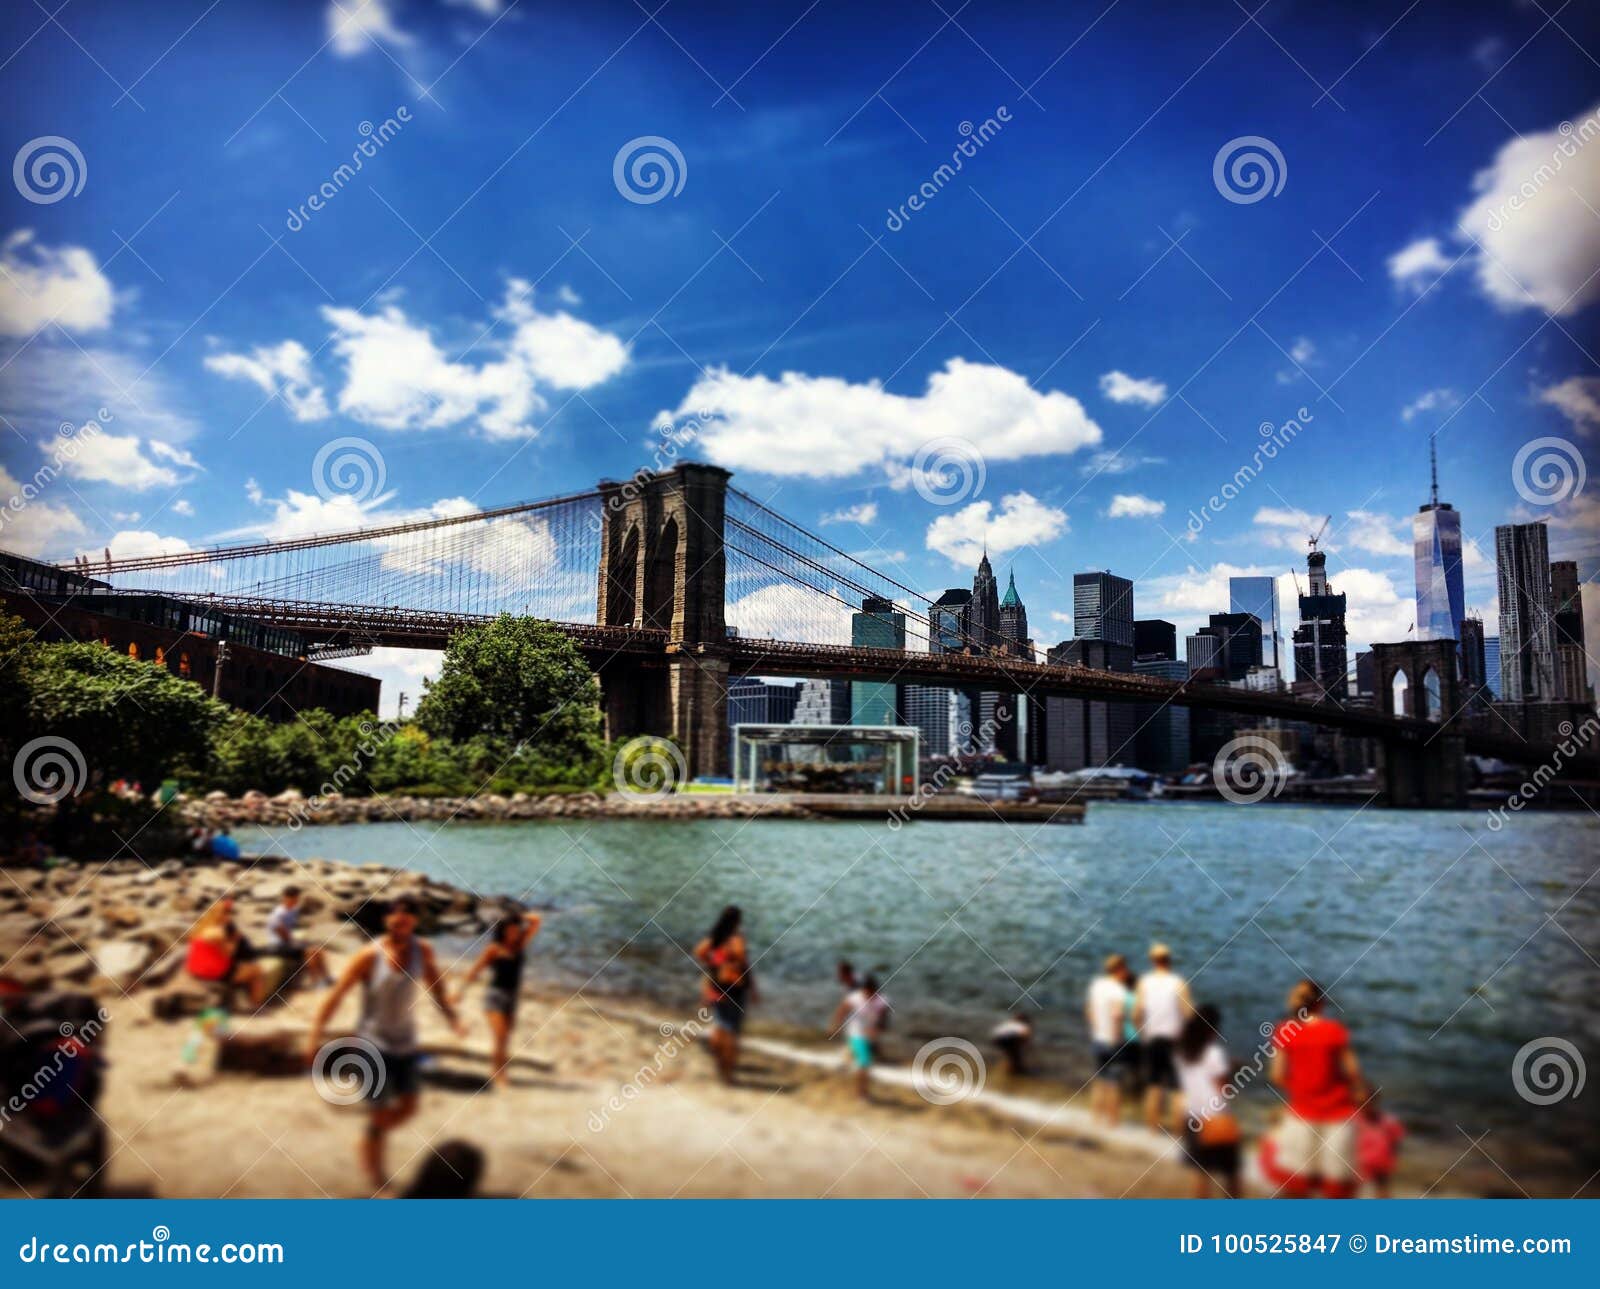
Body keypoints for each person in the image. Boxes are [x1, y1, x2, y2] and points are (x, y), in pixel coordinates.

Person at [306, 897, 464, 1194]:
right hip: (371, 1045)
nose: (399, 924)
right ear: (385, 922)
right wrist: (315, 1036)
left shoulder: (423, 951)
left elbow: (437, 987)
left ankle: (371, 1136)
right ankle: (376, 1173)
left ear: (414, 922)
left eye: (405, 919)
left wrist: (452, 1018)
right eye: (394, 919)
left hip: (405, 1043)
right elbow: (336, 996)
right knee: (379, 1112)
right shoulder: (368, 956)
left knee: (409, 1107)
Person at [1268, 979, 1366, 1198]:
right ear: (1321, 1004)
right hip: (1339, 1113)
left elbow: (1277, 1075)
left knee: (1296, 1187)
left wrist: (1300, 1088)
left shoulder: (1285, 1031)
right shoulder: (1335, 1031)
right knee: (1336, 1189)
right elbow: (1353, 1072)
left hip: (1302, 1112)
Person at [456, 911, 541, 1089]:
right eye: (509, 930)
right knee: (500, 1036)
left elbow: (536, 920)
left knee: (505, 1038)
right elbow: (475, 971)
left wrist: (517, 918)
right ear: (502, 931)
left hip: (512, 997)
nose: (513, 933)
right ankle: (499, 1073)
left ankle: (497, 1069)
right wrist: (460, 992)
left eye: (515, 930)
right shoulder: (494, 949)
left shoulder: (520, 944)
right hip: (495, 996)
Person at [1175, 1004, 1240, 1198]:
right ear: (1213, 1028)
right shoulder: (1214, 1053)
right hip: (1216, 1119)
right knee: (1232, 1174)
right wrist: (1233, 1070)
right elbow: (1223, 1088)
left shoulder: (1183, 1051)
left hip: (1192, 1117)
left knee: (1201, 1175)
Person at [694, 906, 754, 1084]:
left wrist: (715, 964)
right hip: (734, 988)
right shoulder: (736, 939)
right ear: (737, 921)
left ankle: (719, 1065)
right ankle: (727, 1073)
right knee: (732, 1030)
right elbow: (743, 962)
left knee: (720, 1025)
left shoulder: (715, 938)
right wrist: (751, 986)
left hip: (716, 986)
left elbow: (699, 952)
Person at [1135, 943, 1192, 1132]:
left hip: (1152, 1038)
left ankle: (1152, 1130)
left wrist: (1141, 1033)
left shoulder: (1144, 982)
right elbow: (1189, 1014)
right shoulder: (1178, 983)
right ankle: (1178, 1133)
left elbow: (1137, 1012)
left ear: (1152, 961)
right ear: (1169, 960)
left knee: (1153, 1086)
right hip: (1174, 1039)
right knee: (1178, 1089)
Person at [184, 897, 268, 1008]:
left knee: (242, 962)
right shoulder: (218, 932)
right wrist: (235, 938)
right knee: (256, 970)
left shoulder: (201, 927)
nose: (229, 916)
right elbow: (229, 952)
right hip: (213, 973)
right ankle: (256, 1004)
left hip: (195, 969)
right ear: (222, 915)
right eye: (227, 913)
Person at [1086, 953, 1132, 1126]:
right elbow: (1117, 1015)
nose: (1127, 972)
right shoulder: (1119, 990)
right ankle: (1112, 1124)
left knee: (1099, 1081)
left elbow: (1089, 1011)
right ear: (1119, 969)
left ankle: (1096, 1120)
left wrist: (1097, 1029)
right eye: (1125, 968)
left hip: (1098, 1039)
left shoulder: (1097, 985)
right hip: (1113, 1042)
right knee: (1114, 1084)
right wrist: (1116, 1038)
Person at [830, 973, 890, 1099]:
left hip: (871, 1035)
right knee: (865, 1063)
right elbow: (841, 1011)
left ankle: (846, 1056)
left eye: (871, 993)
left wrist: (877, 1028)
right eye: (866, 992)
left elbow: (885, 1021)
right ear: (862, 990)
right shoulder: (855, 998)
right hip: (856, 1033)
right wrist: (835, 1027)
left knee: (876, 1057)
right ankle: (861, 1093)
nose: (868, 996)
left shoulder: (882, 1000)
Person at [263, 887, 332, 987]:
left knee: (318, 949)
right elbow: (282, 934)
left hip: (287, 943)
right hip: (278, 946)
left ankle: (327, 978)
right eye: (294, 899)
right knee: (310, 951)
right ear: (286, 898)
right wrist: (297, 943)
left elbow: (293, 926)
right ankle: (315, 982)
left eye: (296, 899)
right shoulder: (278, 914)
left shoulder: (292, 910)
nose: (296, 901)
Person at [1357, 1096, 1404, 1198]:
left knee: (1382, 1190)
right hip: (1361, 1162)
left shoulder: (1388, 1120)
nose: (1366, 1106)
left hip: (1382, 1161)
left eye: (1369, 1102)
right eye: (1362, 1103)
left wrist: (1393, 1158)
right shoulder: (1354, 1120)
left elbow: (1396, 1140)